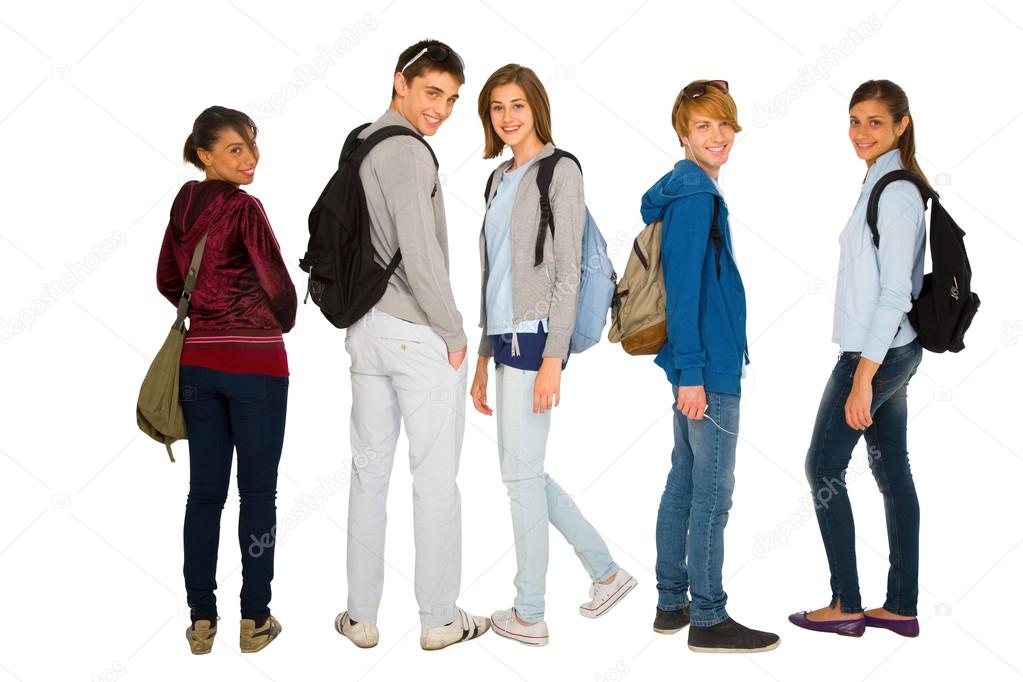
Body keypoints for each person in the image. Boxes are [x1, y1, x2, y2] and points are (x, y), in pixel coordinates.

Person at [469, 64, 637, 648]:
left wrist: (552, 359)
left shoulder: (560, 170)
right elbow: (491, 274)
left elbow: (567, 270)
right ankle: (606, 573)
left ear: (537, 107)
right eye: (496, 108)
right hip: (506, 340)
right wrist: (483, 357)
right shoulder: (496, 179)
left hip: (538, 339)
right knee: (526, 476)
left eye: (517, 105)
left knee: (520, 478)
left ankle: (530, 612)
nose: (508, 117)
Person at [331, 39, 490, 652]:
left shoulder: (363, 139)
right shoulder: (407, 153)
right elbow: (421, 257)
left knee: (368, 476)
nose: (442, 109)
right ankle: (440, 619)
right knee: (435, 482)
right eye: (432, 93)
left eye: (451, 99)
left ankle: (361, 617)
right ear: (401, 82)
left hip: (365, 333)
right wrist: (455, 333)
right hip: (415, 335)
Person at [642, 80, 779, 653]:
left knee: (683, 480)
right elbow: (683, 285)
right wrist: (695, 373)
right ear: (683, 135)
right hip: (707, 369)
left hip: (693, 363)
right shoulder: (696, 193)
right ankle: (708, 616)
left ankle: (672, 603)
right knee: (712, 495)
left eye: (724, 123)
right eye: (703, 126)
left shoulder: (687, 189)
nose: (717, 135)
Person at [789, 79, 927, 639]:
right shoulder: (879, 181)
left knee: (823, 468)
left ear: (901, 125)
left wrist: (863, 378)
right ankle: (900, 605)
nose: (862, 133)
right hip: (892, 348)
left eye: (875, 122)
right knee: (892, 470)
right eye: (854, 121)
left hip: (876, 353)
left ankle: (846, 602)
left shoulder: (895, 191)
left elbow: (895, 293)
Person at [157, 106, 297, 655]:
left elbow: (169, 278)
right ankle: (255, 619)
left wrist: (210, 315)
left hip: (198, 363)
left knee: (204, 495)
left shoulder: (183, 204)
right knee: (258, 493)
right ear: (204, 154)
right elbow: (279, 287)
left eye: (253, 146)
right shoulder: (245, 209)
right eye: (236, 149)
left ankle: (200, 621)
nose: (251, 159)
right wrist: (268, 321)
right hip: (257, 366)